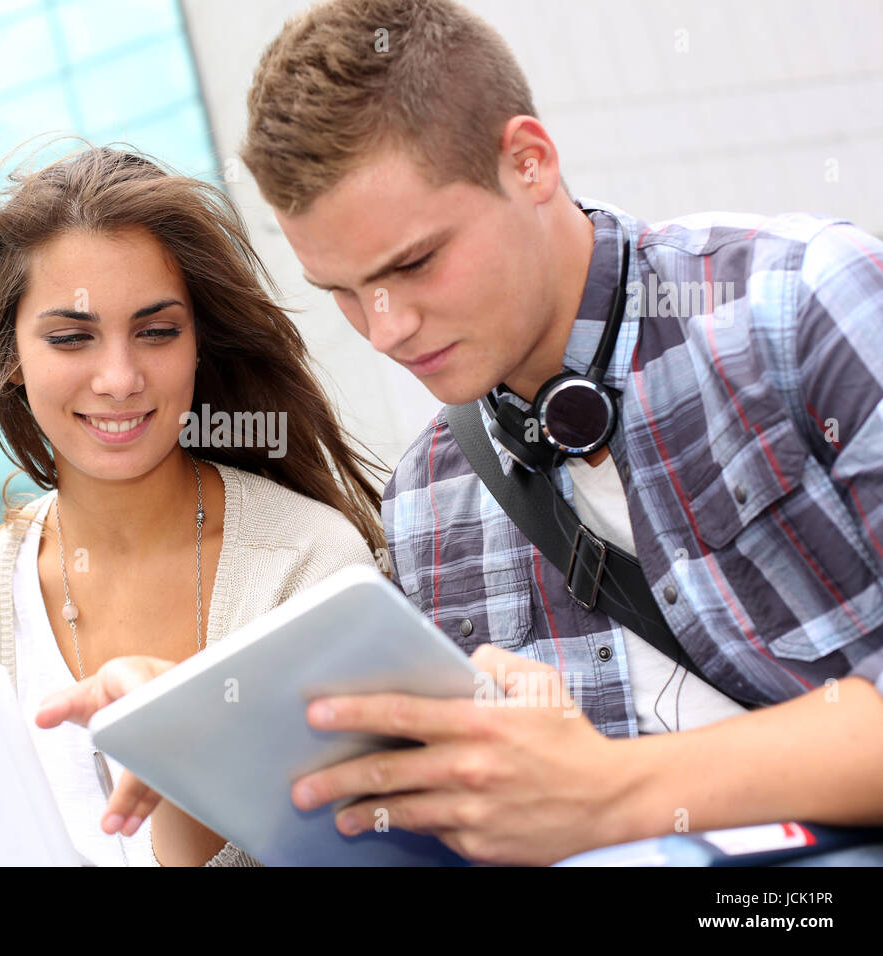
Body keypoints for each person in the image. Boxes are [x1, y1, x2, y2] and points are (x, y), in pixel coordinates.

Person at [220, 0, 883, 865]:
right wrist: (231, 743)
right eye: (342, 290)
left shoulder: (802, 306)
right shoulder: (425, 497)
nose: (384, 330)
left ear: (529, 162)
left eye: (413, 263)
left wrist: (611, 792)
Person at [0, 141, 386, 867]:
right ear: (11, 357)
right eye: (72, 337)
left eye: (157, 331)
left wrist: (182, 745)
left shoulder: (309, 566)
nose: (119, 377)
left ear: (200, 343)